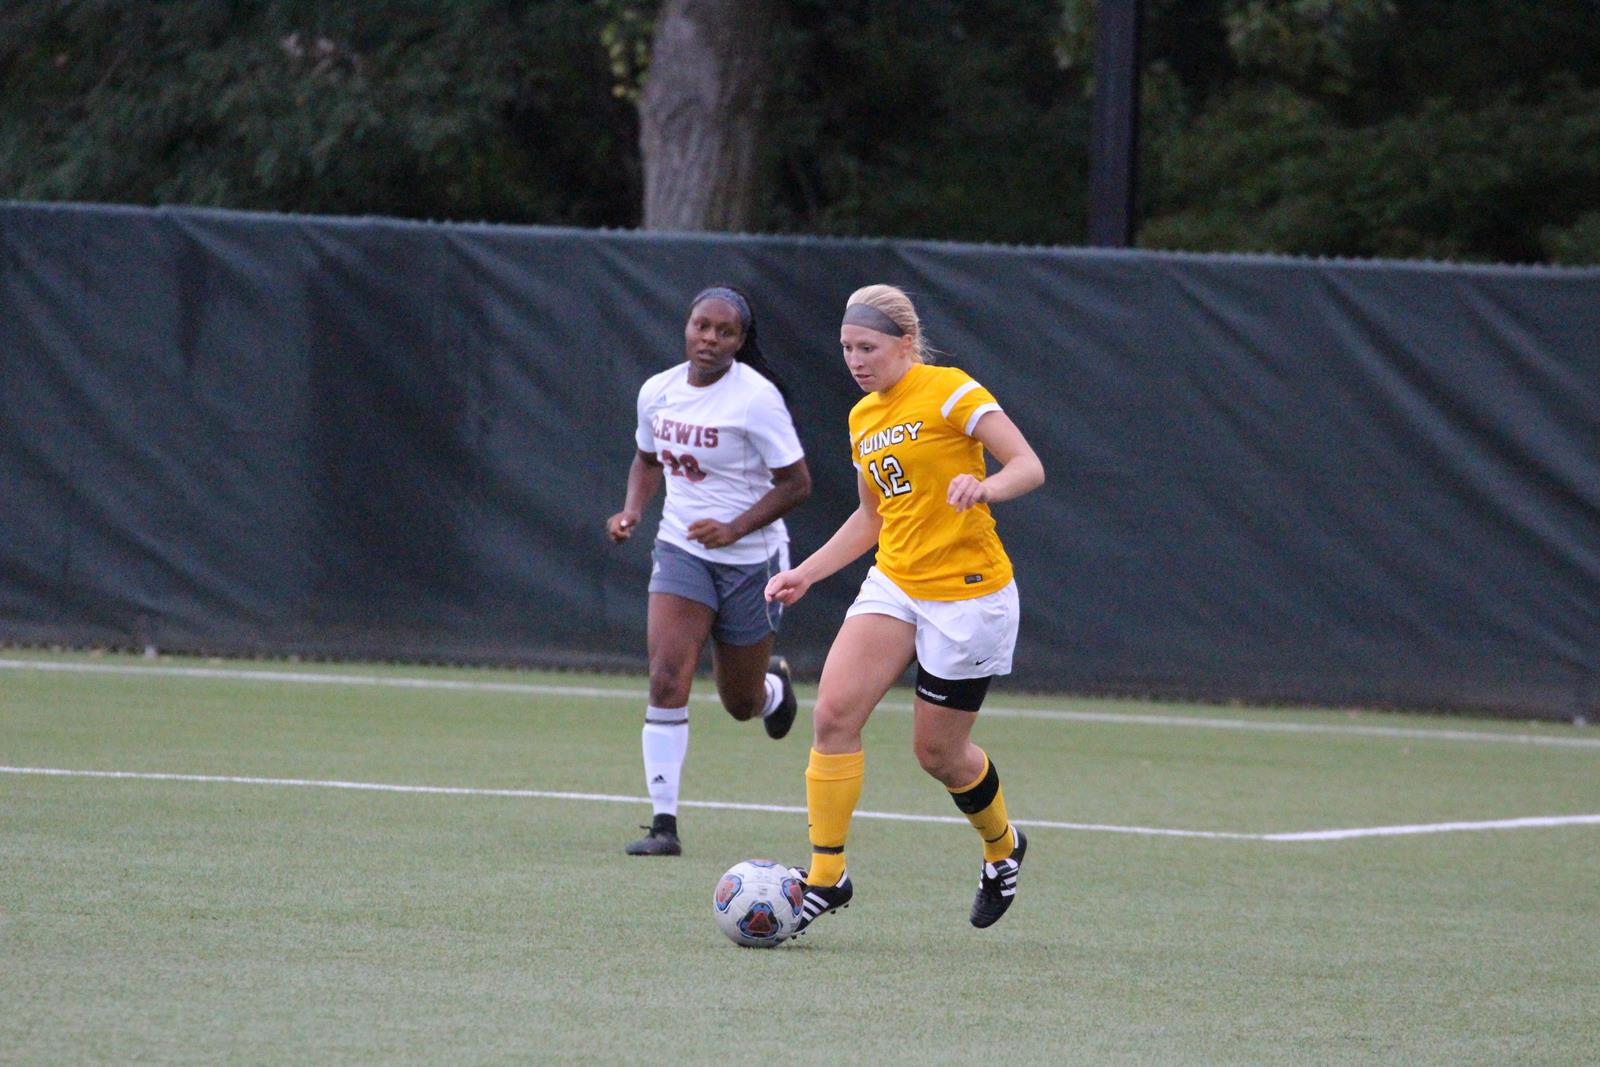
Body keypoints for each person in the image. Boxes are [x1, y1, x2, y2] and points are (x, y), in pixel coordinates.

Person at [764, 283, 1045, 932]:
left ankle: (1003, 848)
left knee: (938, 754)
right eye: (846, 348)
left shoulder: (951, 390)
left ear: (906, 344)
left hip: (969, 596)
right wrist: (806, 572)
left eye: (868, 347)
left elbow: (1027, 465)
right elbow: (871, 516)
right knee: (833, 714)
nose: (856, 360)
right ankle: (827, 877)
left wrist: (988, 485)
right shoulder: (864, 417)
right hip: (896, 583)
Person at [607, 285, 813, 857]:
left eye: (725, 332)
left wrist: (736, 528)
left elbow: (798, 484)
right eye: (702, 326)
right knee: (667, 676)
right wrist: (633, 510)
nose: (710, 339)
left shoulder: (755, 399)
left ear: (740, 341)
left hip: (752, 560)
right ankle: (664, 825)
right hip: (682, 550)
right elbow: (648, 459)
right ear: (687, 326)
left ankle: (772, 691)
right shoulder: (659, 391)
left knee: (738, 703)